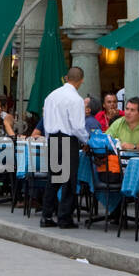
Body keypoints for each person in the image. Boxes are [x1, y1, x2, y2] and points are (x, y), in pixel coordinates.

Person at [40, 66, 88, 229]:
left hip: (53, 138)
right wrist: (86, 140)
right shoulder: (76, 100)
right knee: (68, 181)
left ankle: (46, 215)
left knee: (53, 178)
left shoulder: (51, 96)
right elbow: (77, 126)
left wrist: (49, 138)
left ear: (67, 78)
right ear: (81, 80)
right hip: (68, 140)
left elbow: (46, 121)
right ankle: (64, 217)